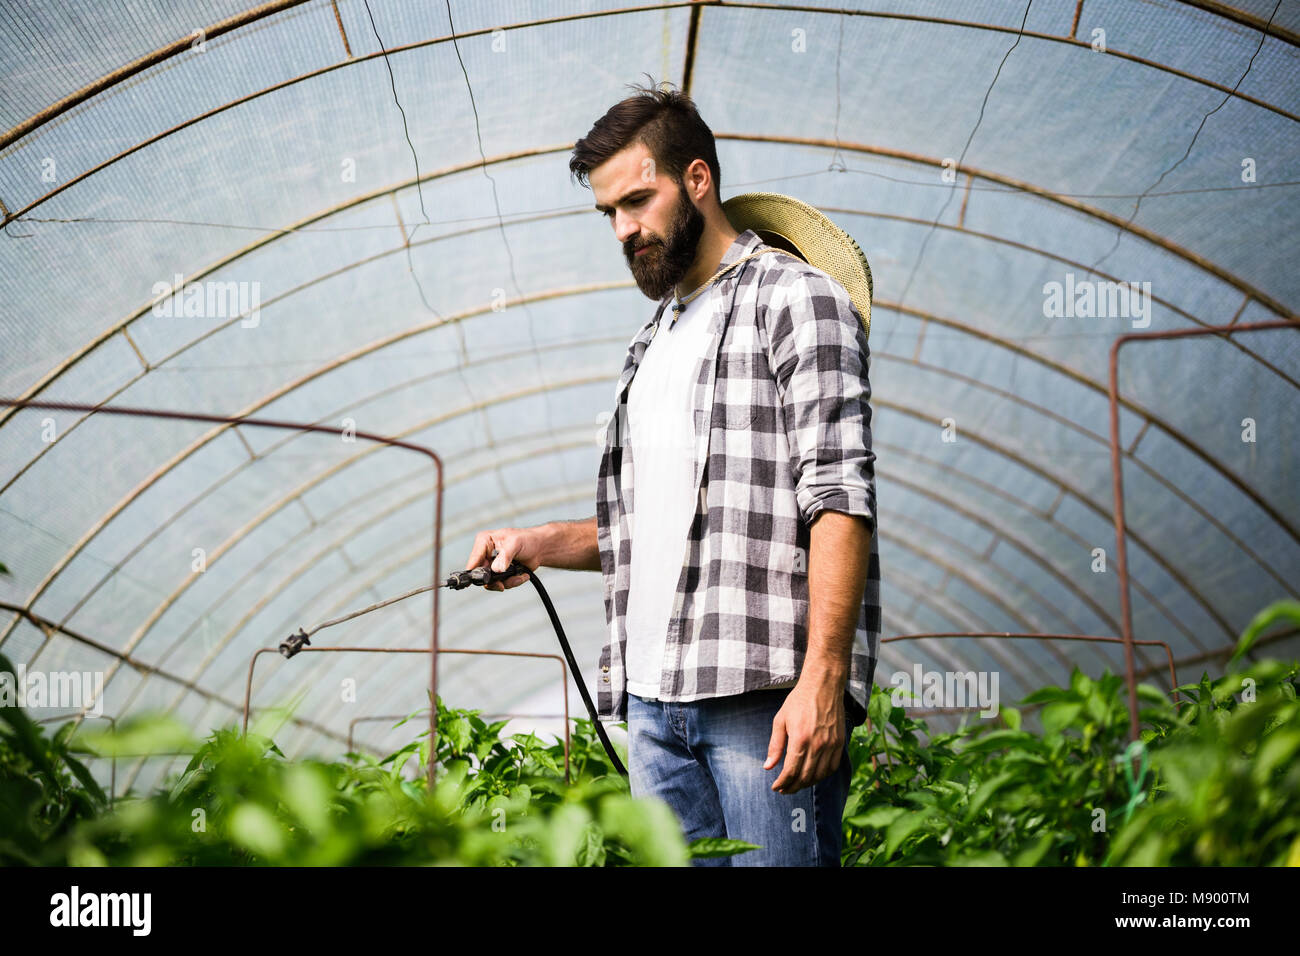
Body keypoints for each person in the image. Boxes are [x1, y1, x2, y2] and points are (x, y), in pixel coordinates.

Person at [462, 77, 881, 866]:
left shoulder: (796, 301)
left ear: (697, 180)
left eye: (638, 200)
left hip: (761, 701)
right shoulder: (650, 344)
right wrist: (539, 542)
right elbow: (649, 526)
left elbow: (838, 496)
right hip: (654, 705)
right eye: (609, 213)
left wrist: (824, 677)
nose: (624, 228)